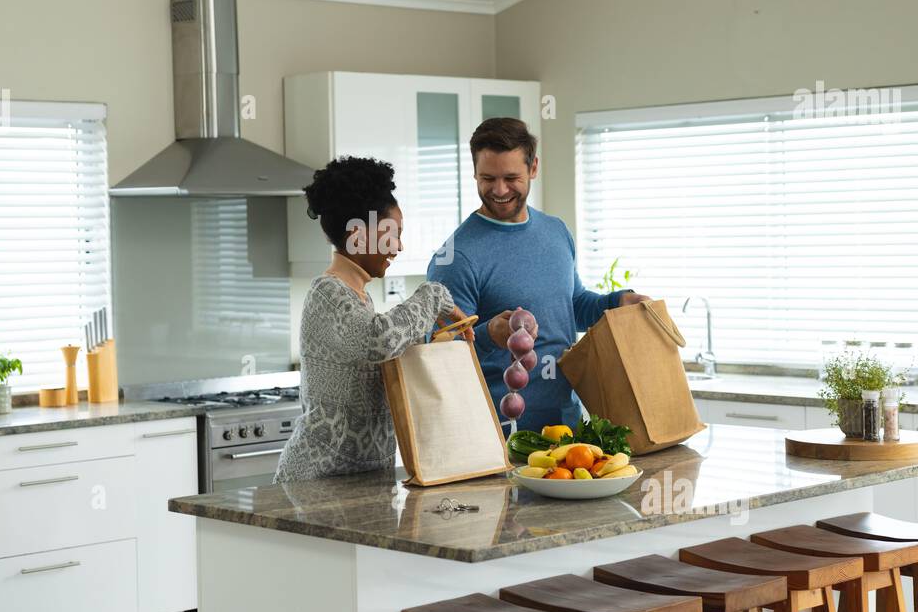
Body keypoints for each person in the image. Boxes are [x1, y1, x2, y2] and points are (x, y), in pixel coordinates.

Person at [427, 117, 651, 432]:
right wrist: (490, 333)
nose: (499, 190)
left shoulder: (556, 232)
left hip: (567, 428)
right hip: (497, 436)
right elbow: (438, 349)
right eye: (487, 178)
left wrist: (617, 303)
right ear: (474, 172)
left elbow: (571, 307)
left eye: (511, 177)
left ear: (533, 168)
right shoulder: (456, 256)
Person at [274, 156, 469, 483]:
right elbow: (379, 340)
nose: (399, 246)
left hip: (359, 481)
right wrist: (434, 296)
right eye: (392, 233)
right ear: (357, 233)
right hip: (315, 482)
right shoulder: (328, 294)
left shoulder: (360, 297)